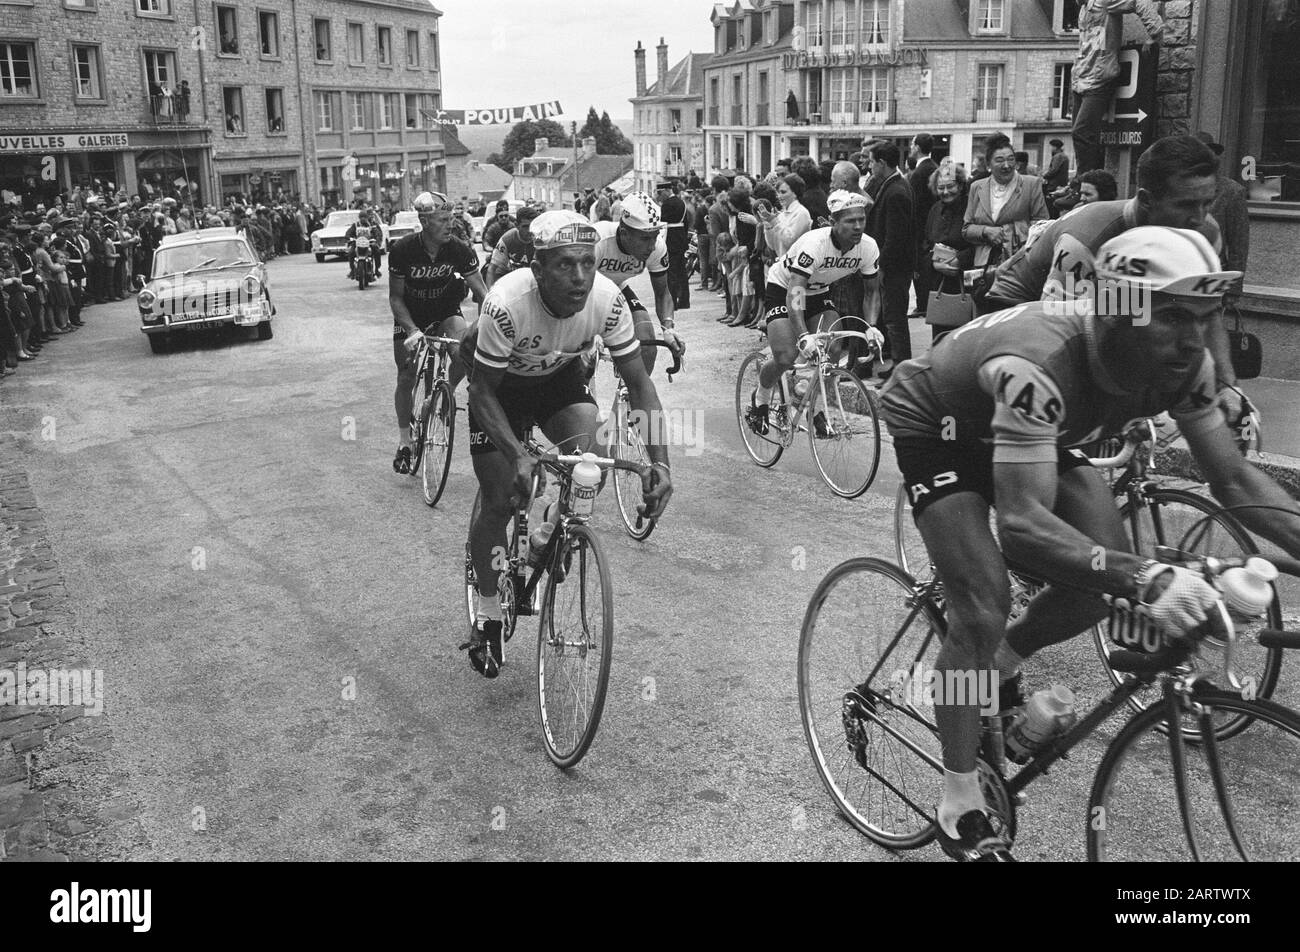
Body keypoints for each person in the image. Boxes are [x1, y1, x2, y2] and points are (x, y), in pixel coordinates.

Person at [877, 225, 1300, 860]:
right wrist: (1150, 578)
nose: (1195, 340)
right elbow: (1022, 522)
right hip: (938, 421)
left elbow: (1235, 480)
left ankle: (996, 669)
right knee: (983, 603)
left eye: (1207, 317)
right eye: (1175, 317)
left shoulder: (1183, 365)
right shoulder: (1038, 365)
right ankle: (959, 792)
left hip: (1034, 429)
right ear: (1119, 312)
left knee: (1093, 594)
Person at [460, 211, 674, 677]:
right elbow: (480, 391)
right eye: (564, 265)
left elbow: (639, 386)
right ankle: (490, 610)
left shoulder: (606, 300)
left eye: (587, 263)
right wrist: (517, 453)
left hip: (557, 380)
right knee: (501, 496)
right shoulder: (507, 303)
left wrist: (662, 464)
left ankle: (545, 538)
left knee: (590, 456)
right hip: (498, 390)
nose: (579, 277)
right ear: (537, 269)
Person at [983, 135, 1245, 418]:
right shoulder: (1088, 236)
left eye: (1207, 203)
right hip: (1019, 301)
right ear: (1145, 200)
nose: (1199, 218)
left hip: (1099, 292)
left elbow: (1206, 310)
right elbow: (1059, 330)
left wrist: (1228, 387)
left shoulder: (1205, 233)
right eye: (1185, 205)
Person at [746, 191, 884, 434]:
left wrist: (871, 327)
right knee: (786, 356)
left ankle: (815, 407)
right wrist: (802, 336)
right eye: (850, 221)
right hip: (784, 288)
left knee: (832, 346)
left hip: (819, 292)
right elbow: (795, 291)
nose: (858, 226)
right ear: (834, 222)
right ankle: (761, 397)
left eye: (862, 219)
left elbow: (872, 292)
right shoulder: (815, 244)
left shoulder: (868, 247)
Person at [388, 193, 486, 475]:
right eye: (443, 220)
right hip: (410, 313)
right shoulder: (403, 250)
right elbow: (395, 298)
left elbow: (482, 292)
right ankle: (405, 442)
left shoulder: (458, 248)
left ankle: (444, 393)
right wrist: (412, 331)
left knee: (465, 351)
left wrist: (486, 325)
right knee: (406, 373)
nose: (450, 225)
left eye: (452, 218)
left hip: (445, 309)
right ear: (424, 221)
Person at [591, 191, 682, 375]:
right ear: (624, 233)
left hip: (617, 288)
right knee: (585, 355)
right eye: (645, 239)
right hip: (588, 291)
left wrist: (668, 327)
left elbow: (662, 293)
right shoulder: (598, 240)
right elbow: (577, 290)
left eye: (655, 236)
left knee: (647, 345)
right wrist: (591, 331)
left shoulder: (656, 247)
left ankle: (633, 395)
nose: (651, 245)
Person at [1072, 1, 1164, 175]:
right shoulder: (1084, 8)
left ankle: (1083, 183)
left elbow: (1138, 1)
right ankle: (1088, 182)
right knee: (1084, 137)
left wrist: (1154, 33)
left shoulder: (1104, 2)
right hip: (1080, 77)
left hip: (1100, 78)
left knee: (1082, 133)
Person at [962, 135, 1050, 273]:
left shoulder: (1031, 184)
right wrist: (986, 231)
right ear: (988, 164)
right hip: (983, 267)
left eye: (1011, 159)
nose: (1007, 165)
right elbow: (966, 229)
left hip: (1020, 265)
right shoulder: (976, 187)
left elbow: (1043, 226)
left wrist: (1009, 232)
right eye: (999, 160)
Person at [866, 142, 916, 371]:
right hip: (894, 265)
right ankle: (897, 363)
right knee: (892, 317)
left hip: (895, 267)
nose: (869, 166)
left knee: (895, 318)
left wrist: (880, 265)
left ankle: (901, 367)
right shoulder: (892, 185)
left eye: (871, 161)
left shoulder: (896, 190)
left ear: (882, 163)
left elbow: (895, 237)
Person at [920, 161, 975, 341]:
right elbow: (926, 243)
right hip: (939, 283)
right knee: (941, 336)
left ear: (960, 185)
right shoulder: (935, 209)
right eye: (941, 187)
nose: (945, 192)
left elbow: (979, 244)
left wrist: (960, 259)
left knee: (965, 337)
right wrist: (934, 263)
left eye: (950, 186)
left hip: (967, 281)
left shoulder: (972, 207)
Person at [1195, 131, 1250, 286]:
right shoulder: (1175, 186)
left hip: (1212, 276)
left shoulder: (1231, 191)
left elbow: (1238, 245)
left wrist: (1233, 288)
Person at [908, 134, 939, 318]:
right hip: (932, 227)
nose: (911, 148)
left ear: (918, 147)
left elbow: (916, 206)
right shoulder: (933, 167)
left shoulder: (919, 173)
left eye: (912, 145)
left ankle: (922, 305)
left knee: (920, 269)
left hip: (921, 230)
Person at [485, 205, 540, 288]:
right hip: (508, 276)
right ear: (517, 225)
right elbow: (492, 269)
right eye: (525, 226)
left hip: (532, 276)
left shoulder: (541, 239)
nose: (529, 231)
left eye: (532, 226)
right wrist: (489, 294)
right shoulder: (507, 239)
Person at [759, 173, 812, 259]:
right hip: (782, 264)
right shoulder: (782, 214)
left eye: (783, 192)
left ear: (795, 193)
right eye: (778, 193)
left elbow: (789, 241)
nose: (779, 196)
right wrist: (767, 224)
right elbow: (772, 245)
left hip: (796, 266)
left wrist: (774, 221)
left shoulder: (802, 213)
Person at [657, 181, 691, 311]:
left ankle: (673, 302)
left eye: (660, 193)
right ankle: (684, 300)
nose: (660, 196)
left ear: (666, 190)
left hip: (670, 239)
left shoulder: (667, 204)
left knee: (671, 273)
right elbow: (686, 223)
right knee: (682, 272)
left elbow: (662, 221)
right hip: (680, 239)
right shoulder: (681, 202)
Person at [346, 208, 385, 280]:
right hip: (357, 243)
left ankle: (376, 270)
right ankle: (352, 270)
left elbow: (377, 233)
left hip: (369, 243)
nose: (363, 219)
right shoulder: (355, 225)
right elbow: (348, 233)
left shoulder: (371, 225)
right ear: (359, 218)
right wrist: (349, 238)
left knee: (377, 251)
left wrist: (376, 240)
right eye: (361, 217)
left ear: (367, 218)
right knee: (351, 253)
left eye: (364, 217)